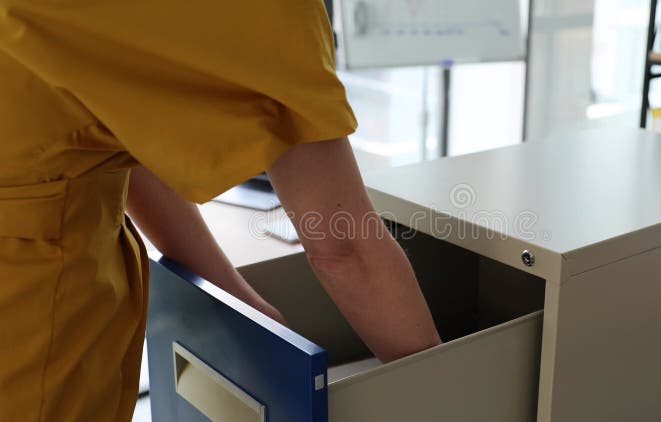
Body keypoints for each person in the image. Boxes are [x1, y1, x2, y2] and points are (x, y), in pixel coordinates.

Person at [0, 0, 441, 420]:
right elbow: (345, 249)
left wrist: (248, 308)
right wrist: (449, 393)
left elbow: (112, 129)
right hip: (30, 319)